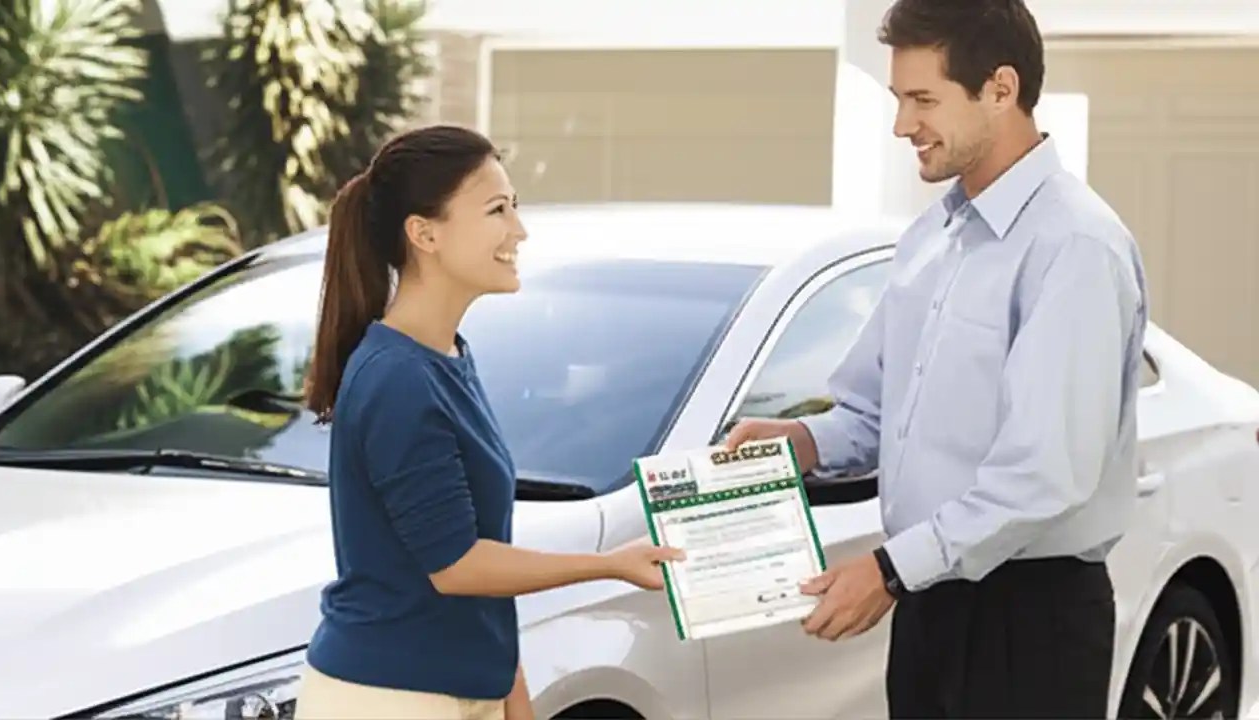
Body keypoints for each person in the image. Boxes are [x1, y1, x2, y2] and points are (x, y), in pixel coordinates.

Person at [726, 0, 1148, 717]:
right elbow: (875, 411)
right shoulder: (929, 240)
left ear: (1002, 89)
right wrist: (800, 442)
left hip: (1029, 621)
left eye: (923, 99)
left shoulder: (1074, 246)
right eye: (899, 99)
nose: (901, 125)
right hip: (931, 605)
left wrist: (890, 573)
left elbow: (1044, 476)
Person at [295, 125, 684, 720]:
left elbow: (482, 557)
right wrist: (609, 563)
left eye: (516, 208)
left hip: (461, 688)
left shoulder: (447, 357)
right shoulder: (396, 377)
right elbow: (457, 566)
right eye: (497, 210)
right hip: (387, 698)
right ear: (424, 233)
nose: (518, 230)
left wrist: (511, 696)